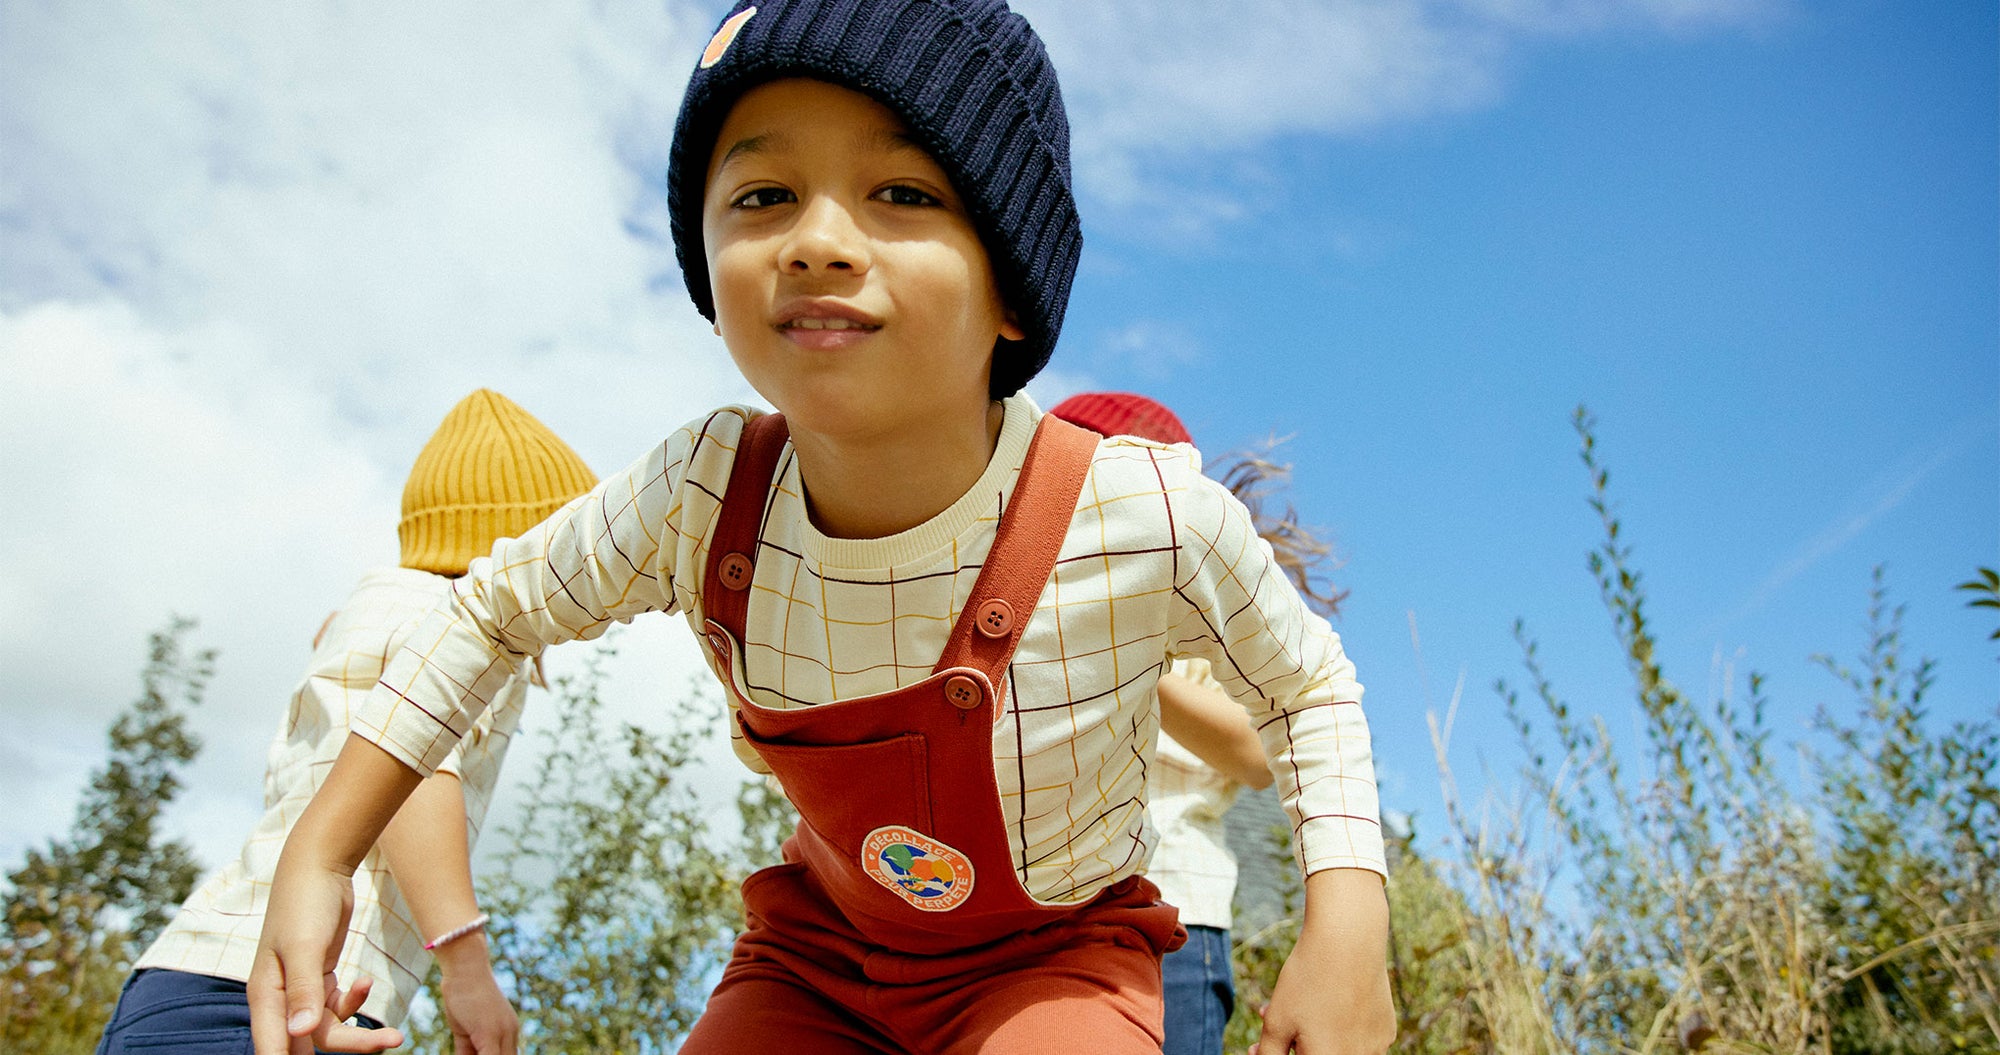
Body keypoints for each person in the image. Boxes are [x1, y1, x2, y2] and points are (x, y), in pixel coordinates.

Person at [250, 3, 1396, 1054]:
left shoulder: (1134, 511)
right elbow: (489, 611)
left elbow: (1306, 689)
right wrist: (321, 848)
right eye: (762, 197)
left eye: (902, 193)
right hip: (815, 959)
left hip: (1053, 962)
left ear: (1010, 292)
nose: (815, 240)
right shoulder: (702, 494)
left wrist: (1343, 918)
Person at [97, 389, 596, 1055]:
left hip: (226, 980)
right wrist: (467, 967)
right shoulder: (451, 633)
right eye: (569, 544)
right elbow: (412, 777)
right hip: (264, 996)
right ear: (519, 548)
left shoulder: (387, 612)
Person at [1051, 392, 1347, 1055]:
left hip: (1175, 916)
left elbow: (1253, 751)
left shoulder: (1203, 623)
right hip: (1041, 924)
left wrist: (1125, 655)